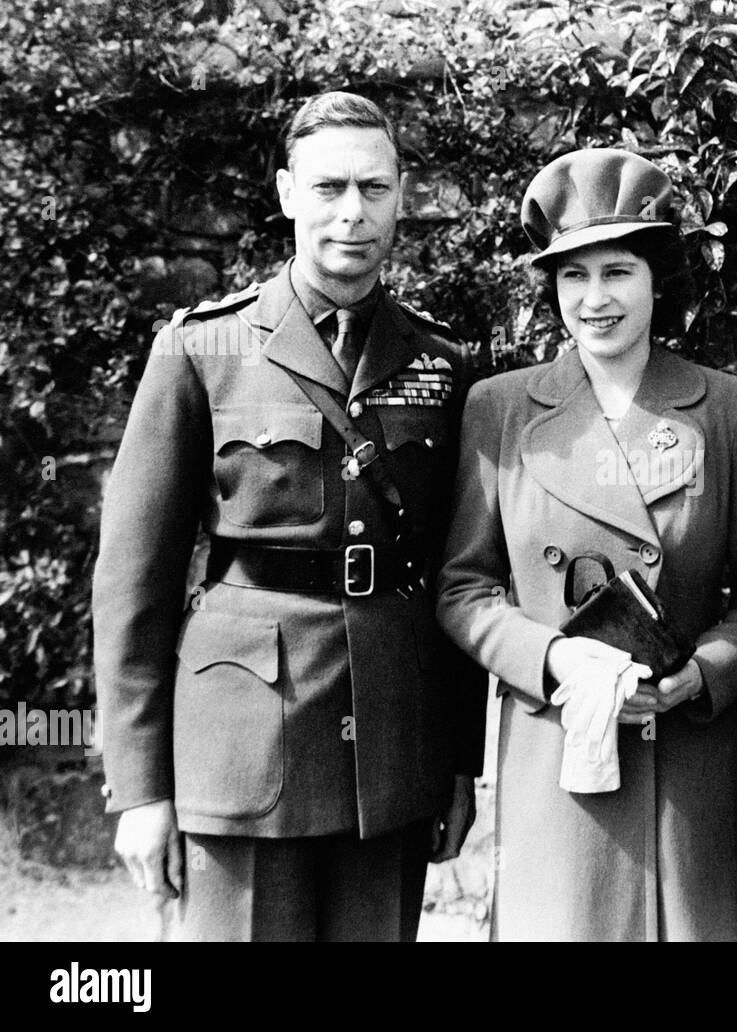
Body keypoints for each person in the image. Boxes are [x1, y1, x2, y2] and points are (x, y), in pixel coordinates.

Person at [94, 91, 485, 941]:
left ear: (402, 194)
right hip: (240, 741)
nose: (353, 213)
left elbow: (461, 573)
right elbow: (134, 581)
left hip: (390, 745)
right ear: (285, 193)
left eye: (374, 189)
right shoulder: (203, 349)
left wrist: (458, 764)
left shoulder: (442, 360)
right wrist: (140, 788)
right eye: (329, 187)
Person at [436, 148, 737, 941]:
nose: (596, 300)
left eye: (618, 271)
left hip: (688, 760)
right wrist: (550, 658)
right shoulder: (501, 410)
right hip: (560, 758)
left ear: (659, 279)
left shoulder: (730, 410)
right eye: (573, 277)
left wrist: (702, 674)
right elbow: (464, 588)